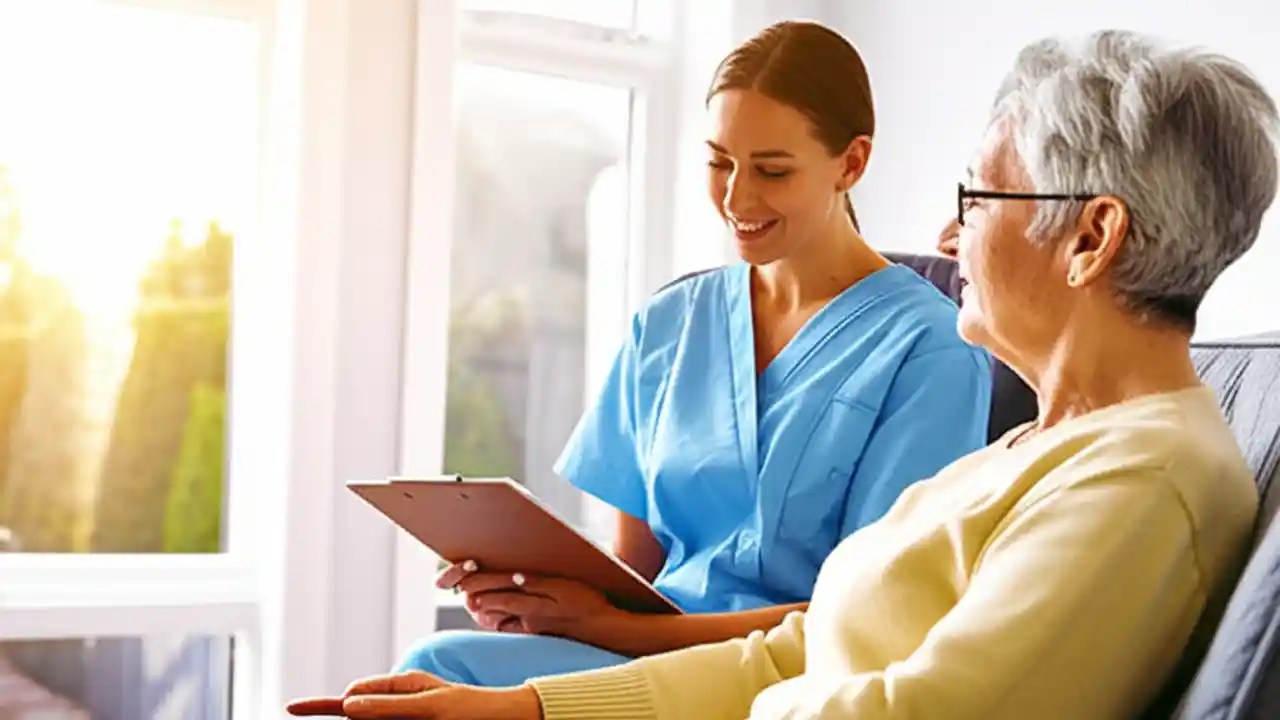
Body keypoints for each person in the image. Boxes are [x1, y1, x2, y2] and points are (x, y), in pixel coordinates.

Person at [289, 27, 1275, 719]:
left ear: (1091, 235)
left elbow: (921, 710)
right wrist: (532, 708)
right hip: (731, 681)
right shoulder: (1039, 448)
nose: (942, 234)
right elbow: (799, 652)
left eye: (975, 196)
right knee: (433, 686)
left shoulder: (1139, 479)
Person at [389, 20, 992, 687]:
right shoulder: (670, 323)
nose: (736, 198)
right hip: (638, 656)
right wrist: (537, 595)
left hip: (782, 678)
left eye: (772, 170)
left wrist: (605, 628)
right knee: (437, 674)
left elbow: (870, 615)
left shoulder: (932, 347)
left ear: (851, 162)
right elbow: (635, 571)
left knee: (444, 668)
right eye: (719, 162)